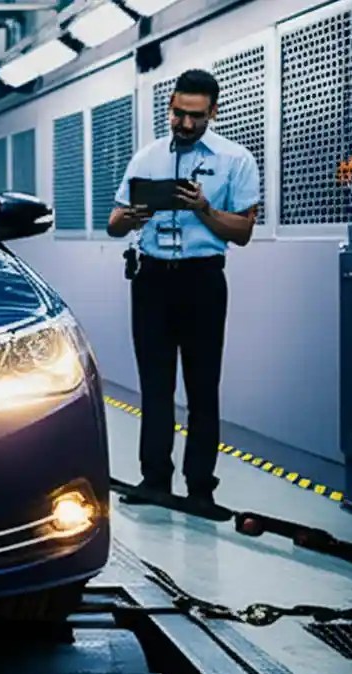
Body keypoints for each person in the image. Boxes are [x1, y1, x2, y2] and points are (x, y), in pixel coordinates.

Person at [106, 68, 261, 508]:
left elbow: (243, 231)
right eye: (178, 114)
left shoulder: (236, 160)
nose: (186, 124)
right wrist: (133, 216)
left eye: (196, 116)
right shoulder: (146, 158)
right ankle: (154, 480)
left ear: (213, 111)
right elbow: (114, 224)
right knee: (154, 386)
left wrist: (205, 208)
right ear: (169, 107)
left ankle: (200, 489)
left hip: (202, 281)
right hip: (152, 280)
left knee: (202, 387)